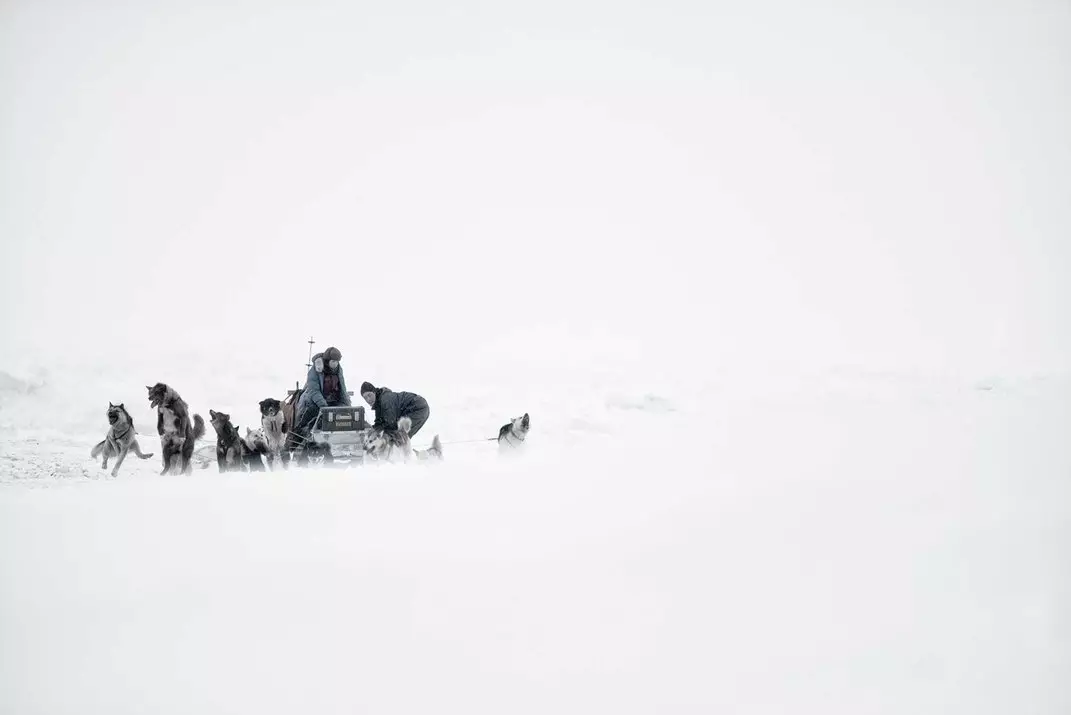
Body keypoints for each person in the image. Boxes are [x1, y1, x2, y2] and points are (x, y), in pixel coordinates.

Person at [294, 346, 350, 434]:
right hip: (315, 402)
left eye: (337, 362)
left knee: (346, 416)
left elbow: (342, 388)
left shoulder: (338, 369)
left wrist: (347, 405)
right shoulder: (315, 370)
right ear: (327, 360)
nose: (335, 364)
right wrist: (324, 407)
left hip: (333, 400)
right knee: (307, 419)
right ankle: (297, 436)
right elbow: (314, 390)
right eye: (333, 361)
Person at [361, 381, 430, 438]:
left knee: (398, 436)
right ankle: (406, 453)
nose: (368, 399)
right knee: (398, 437)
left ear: (374, 392)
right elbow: (379, 423)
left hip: (418, 407)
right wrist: (371, 431)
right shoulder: (379, 405)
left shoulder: (385, 399)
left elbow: (390, 423)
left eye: (369, 395)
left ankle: (405, 454)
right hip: (414, 408)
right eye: (365, 398)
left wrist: (375, 433)